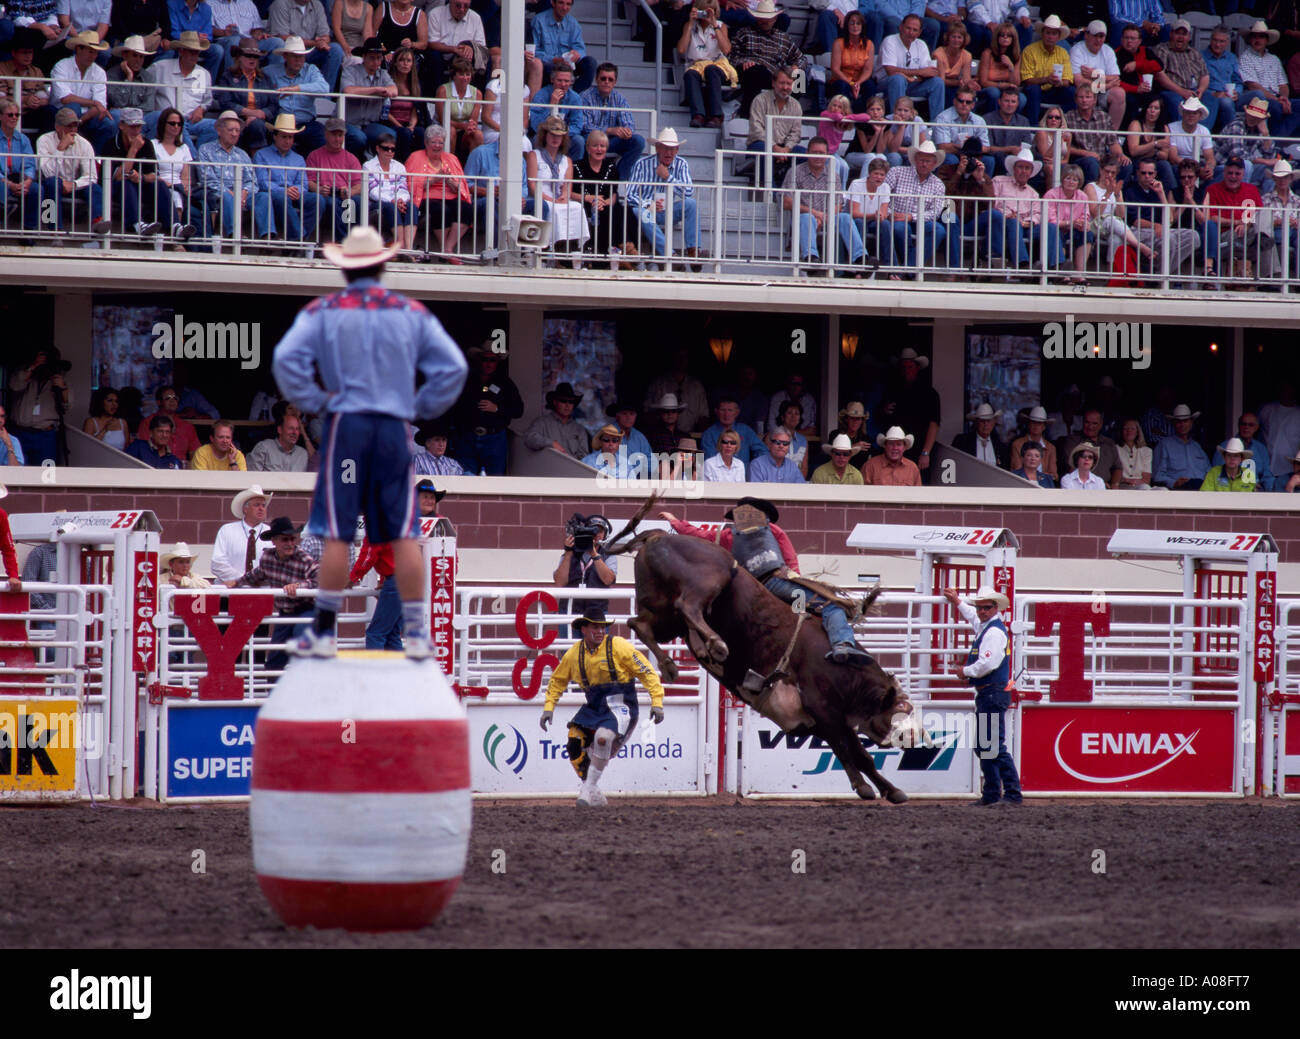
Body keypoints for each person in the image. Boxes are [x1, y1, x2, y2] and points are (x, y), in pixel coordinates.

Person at [271, 225, 469, 658]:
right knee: (403, 533)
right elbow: (452, 367)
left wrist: (316, 401)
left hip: (348, 423)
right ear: (383, 265)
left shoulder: (324, 310)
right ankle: (417, 633)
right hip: (393, 425)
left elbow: (286, 360)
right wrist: (418, 403)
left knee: (338, 535)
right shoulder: (409, 310)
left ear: (344, 270)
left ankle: (323, 633)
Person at [660, 497, 875, 666]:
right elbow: (791, 563)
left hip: (749, 592)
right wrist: (798, 587)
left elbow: (698, 534)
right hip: (779, 585)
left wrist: (675, 521)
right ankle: (841, 644)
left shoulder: (727, 534)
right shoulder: (774, 530)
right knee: (829, 605)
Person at [539, 606, 665, 808]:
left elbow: (646, 671)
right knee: (573, 743)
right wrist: (548, 707)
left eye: (602, 627)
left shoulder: (619, 646)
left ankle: (588, 788)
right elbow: (557, 681)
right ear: (584, 629)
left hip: (621, 704)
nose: (599, 631)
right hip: (595, 706)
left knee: (603, 738)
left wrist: (656, 701)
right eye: (594, 627)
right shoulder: (574, 654)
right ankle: (593, 791)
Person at [942, 584, 1022, 806]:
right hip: (991, 693)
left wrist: (965, 671)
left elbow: (988, 663)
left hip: (991, 693)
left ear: (995, 608)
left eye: (986, 607)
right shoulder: (990, 627)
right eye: (979, 607)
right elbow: (974, 620)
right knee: (988, 745)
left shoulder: (993, 632)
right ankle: (996, 793)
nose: (981, 611)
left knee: (990, 745)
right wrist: (959, 602)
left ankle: (1009, 793)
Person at [233, 516, 318, 671]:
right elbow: (256, 574)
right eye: (285, 540)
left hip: (306, 609)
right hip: (285, 612)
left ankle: (305, 689)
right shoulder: (268, 558)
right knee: (274, 659)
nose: (290, 544)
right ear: (274, 541)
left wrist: (299, 586)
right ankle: (272, 692)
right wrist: (236, 583)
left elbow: (319, 580)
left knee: (301, 647)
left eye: (292, 539)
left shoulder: (304, 559)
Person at [625, 126, 700, 262]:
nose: (669, 152)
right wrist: (650, 204)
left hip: (669, 211)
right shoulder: (642, 164)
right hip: (647, 210)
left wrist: (668, 177)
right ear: (657, 148)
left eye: (672, 149)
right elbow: (630, 195)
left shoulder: (681, 164)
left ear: (677, 150)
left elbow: (689, 192)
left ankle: (694, 253)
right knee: (640, 212)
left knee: (691, 204)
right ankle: (670, 255)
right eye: (665, 148)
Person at [449, 343, 522, 476]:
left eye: (492, 360)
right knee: (466, 477)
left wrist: (497, 408)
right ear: (479, 360)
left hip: (494, 439)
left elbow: (518, 410)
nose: (488, 363)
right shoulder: (466, 380)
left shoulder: (505, 383)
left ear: (497, 362)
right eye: (485, 359)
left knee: (494, 480)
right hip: (467, 437)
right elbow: (453, 407)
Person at [679, 0, 734, 128]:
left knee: (711, 69)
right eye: (702, 11)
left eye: (709, 11)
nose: (705, 15)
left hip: (717, 64)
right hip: (696, 64)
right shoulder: (689, 26)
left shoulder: (721, 25)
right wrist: (690, 23)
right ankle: (698, 115)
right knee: (690, 74)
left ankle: (716, 116)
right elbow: (681, 50)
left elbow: (726, 50)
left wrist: (714, 25)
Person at [553, 512, 616, 622]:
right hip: (569, 611)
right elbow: (559, 583)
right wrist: (568, 553)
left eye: (600, 531)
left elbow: (608, 580)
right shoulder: (570, 553)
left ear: (605, 535)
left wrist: (594, 554)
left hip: (597, 612)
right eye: (593, 530)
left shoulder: (608, 555)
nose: (596, 535)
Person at [879, 13, 944, 118]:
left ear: (919, 32)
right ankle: (898, 122)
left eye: (915, 30)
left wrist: (912, 77)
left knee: (937, 82)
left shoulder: (921, 44)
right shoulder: (890, 41)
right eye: (908, 28)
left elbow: (929, 72)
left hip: (912, 83)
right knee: (898, 79)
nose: (911, 33)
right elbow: (891, 71)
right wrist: (918, 73)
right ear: (901, 27)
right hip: (886, 83)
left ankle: (938, 128)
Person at [210, 484, 272, 584]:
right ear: (245, 509)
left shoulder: (271, 533)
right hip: (231, 591)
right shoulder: (227, 530)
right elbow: (217, 563)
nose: (261, 508)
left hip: (261, 591)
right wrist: (243, 580)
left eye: (263, 505)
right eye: (257, 505)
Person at [532, 0, 596, 94]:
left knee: (590, 63)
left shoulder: (573, 23)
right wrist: (555, 60)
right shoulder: (538, 21)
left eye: (568, 4)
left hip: (568, 64)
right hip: (548, 64)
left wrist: (576, 54)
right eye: (561, 3)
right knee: (545, 66)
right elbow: (535, 51)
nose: (564, 7)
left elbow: (580, 48)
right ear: (553, 3)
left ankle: (574, 95)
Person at [1070, 19, 1124, 131]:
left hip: (1100, 90)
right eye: (1095, 36)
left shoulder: (1108, 50)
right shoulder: (1077, 50)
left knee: (1119, 93)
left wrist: (1094, 74)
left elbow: (1116, 79)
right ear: (1086, 35)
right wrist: (1106, 85)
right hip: (1084, 90)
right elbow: (1079, 81)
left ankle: (1111, 135)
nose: (1098, 40)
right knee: (1086, 93)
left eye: (1102, 36)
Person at [1019, 14, 1073, 124]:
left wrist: (1060, 82)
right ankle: (1033, 128)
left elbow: (1067, 80)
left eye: (1054, 34)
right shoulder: (1030, 50)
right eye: (1048, 33)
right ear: (1042, 34)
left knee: (1072, 92)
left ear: (1058, 37)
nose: (1050, 36)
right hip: (1035, 90)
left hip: (1055, 89)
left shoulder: (1063, 53)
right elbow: (1027, 79)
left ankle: (1064, 125)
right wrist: (1046, 79)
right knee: (1033, 89)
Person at [523, 381, 590, 458]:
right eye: (563, 400)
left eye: (571, 402)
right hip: (548, 468)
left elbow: (584, 457)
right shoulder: (542, 422)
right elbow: (529, 438)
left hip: (571, 469)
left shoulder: (579, 429)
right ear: (555, 402)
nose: (567, 405)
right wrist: (551, 443)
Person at [1151, 403, 1210, 490]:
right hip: (1179, 492)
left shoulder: (1197, 447)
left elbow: (1210, 472)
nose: (1182, 425)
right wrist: (1174, 483)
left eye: (1185, 421)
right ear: (1173, 423)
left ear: (1191, 422)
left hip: (1202, 491)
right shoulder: (1164, 445)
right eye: (1178, 422)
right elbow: (1157, 476)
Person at [1212, 412, 1274, 492]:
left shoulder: (1261, 449)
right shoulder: (1226, 447)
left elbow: (1267, 476)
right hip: (1230, 492)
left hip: (1257, 494)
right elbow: (1217, 475)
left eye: (1250, 425)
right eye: (1243, 424)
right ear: (1238, 425)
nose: (1246, 427)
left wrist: (1272, 492)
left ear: (1257, 427)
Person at [1008, 404, 1057, 479]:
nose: (1036, 426)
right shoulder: (1017, 444)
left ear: (1044, 427)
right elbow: (1017, 470)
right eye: (1033, 422)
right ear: (1029, 424)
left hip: (1044, 487)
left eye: (1039, 423)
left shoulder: (1050, 448)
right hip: (1022, 484)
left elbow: (1054, 475)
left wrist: (1040, 478)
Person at [953, 402, 1009, 466]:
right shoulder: (962, 442)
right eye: (982, 421)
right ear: (976, 422)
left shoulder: (1001, 447)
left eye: (988, 421)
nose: (986, 425)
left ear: (994, 422)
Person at [1112, 417, 1152, 489]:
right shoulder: (1115, 449)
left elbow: (1146, 480)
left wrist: (1128, 480)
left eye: (1132, 428)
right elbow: (1114, 477)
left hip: (1141, 485)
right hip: (1122, 486)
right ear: (1121, 431)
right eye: (1125, 429)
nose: (1129, 431)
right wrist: (1126, 481)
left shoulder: (1147, 451)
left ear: (1137, 431)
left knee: (1162, 490)